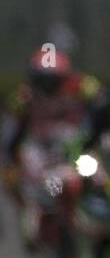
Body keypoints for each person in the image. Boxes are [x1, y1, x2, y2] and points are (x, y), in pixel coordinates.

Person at [1, 48, 101, 235]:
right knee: (11, 176)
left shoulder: (82, 87)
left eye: (53, 81)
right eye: (42, 80)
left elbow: (102, 108)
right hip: (39, 147)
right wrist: (10, 163)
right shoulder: (22, 98)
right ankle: (30, 208)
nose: (47, 88)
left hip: (74, 144)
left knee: (95, 171)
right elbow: (9, 136)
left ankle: (88, 209)